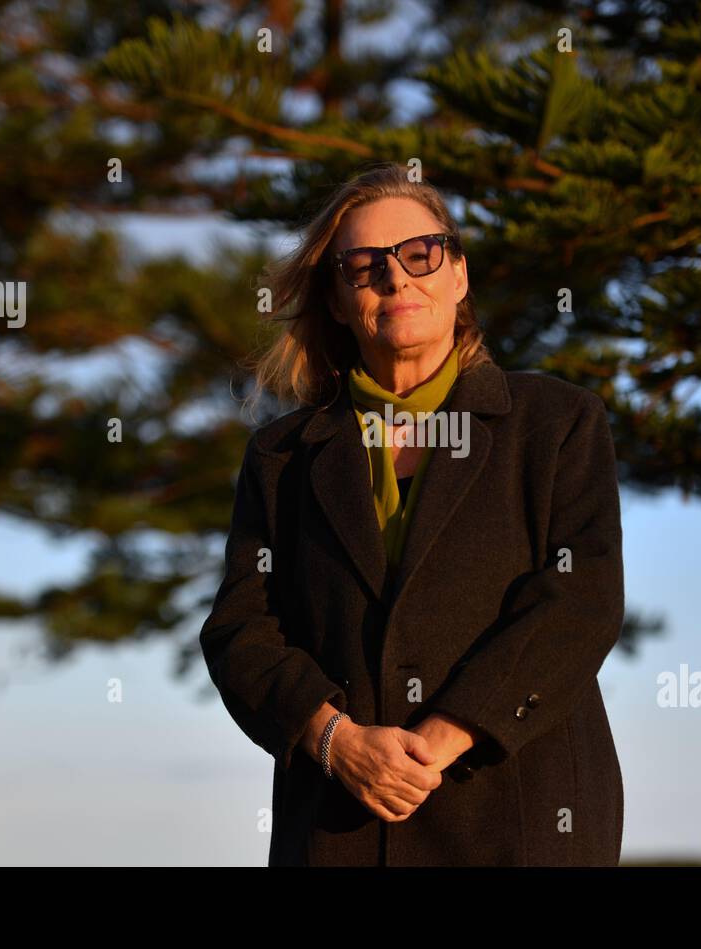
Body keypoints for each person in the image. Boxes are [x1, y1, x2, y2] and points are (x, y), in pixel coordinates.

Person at [200, 162, 626, 865]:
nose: (397, 279)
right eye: (362, 266)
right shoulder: (279, 456)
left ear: (458, 276)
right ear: (337, 300)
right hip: (340, 830)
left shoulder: (557, 424)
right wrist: (337, 741)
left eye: (420, 255)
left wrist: (438, 742)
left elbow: (579, 604)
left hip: (520, 822)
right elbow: (241, 630)